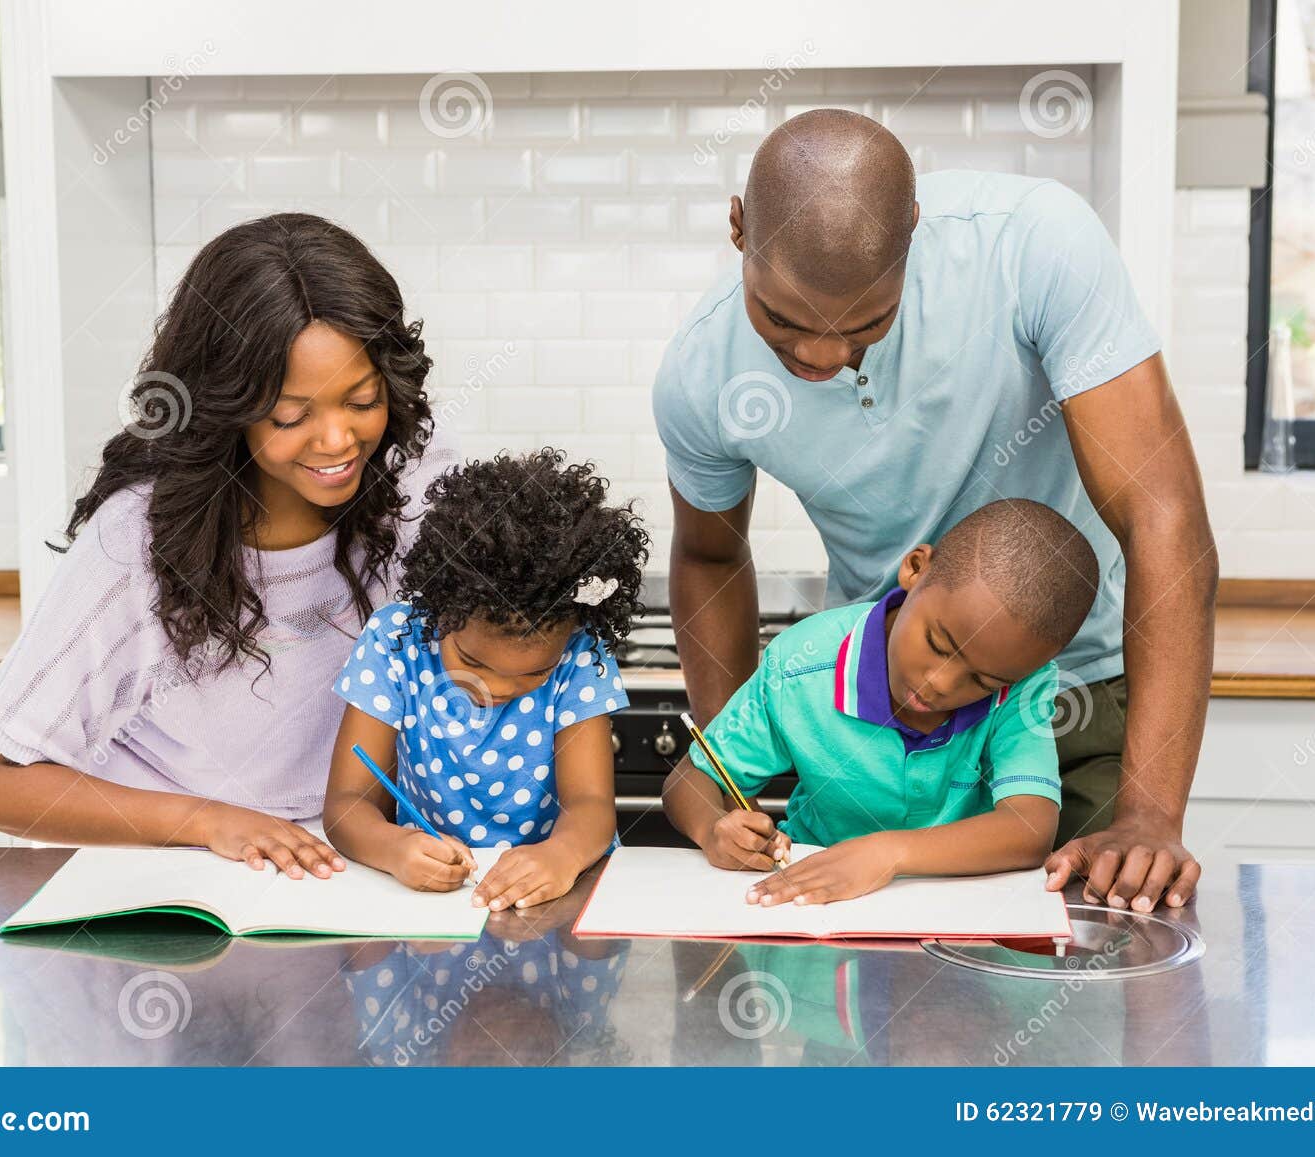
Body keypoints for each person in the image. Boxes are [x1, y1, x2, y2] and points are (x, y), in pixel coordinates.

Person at [654, 110, 1213, 913]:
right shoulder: (700, 373)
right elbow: (709, 555)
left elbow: (1163, 516)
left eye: (866, 324)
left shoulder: (1033, 246)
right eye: (782, 320)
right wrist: (730, 773)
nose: (820, 356)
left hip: (1075, 694)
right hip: (870, 727)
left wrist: (1151, 811)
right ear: (737, 229)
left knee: (1085, 982)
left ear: (913, 235)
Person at [0, 213, 453, 877]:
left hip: (353, 878)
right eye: (290, 416)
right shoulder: (137, 543)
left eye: (361, 400)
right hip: (182, 881)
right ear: (227, 403)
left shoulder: (413, 492)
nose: (336, 441)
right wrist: (207, 820)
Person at [664, 499, 1097, 905]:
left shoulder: (1024, 683)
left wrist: (887, 853)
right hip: (812, 908)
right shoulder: (802, 664)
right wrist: (711, 829)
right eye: (937, 643)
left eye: (982, 680)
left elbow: (1029, 828)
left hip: (957, 914)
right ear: (914, 570)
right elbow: (690, 779)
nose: (940, 683)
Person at [324, 449, 648, 912]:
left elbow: (592, 805)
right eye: (472, 661)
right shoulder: (396, 641)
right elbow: (347, 804)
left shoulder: (581, 649)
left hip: (554, 899)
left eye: (536, 672)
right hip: (430, 905)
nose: (496, 688)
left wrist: (561, 855)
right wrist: (392, 848)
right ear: (440, 612)